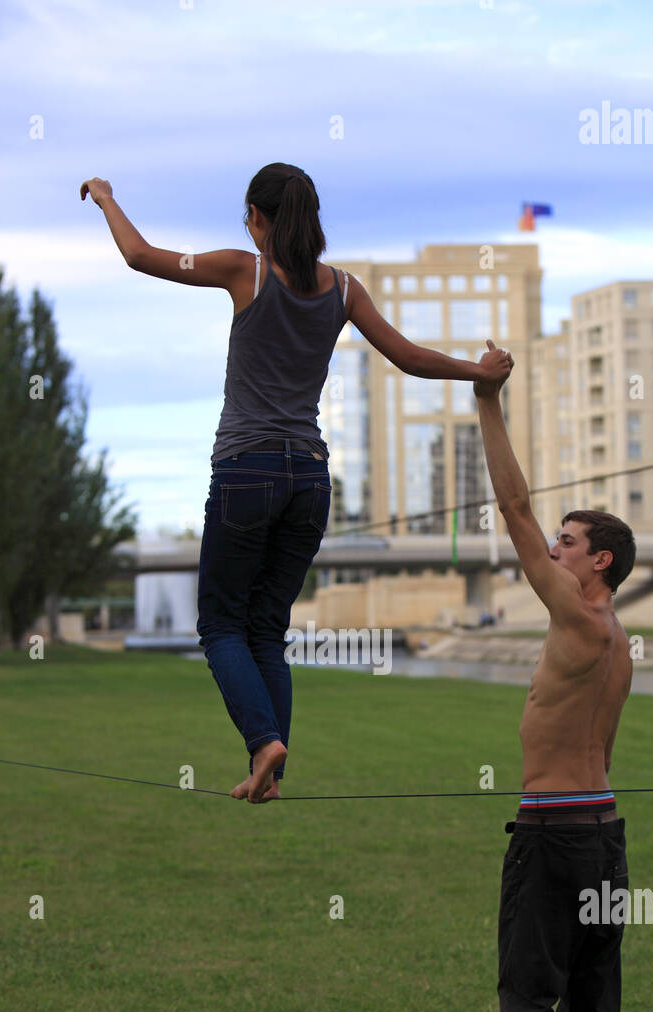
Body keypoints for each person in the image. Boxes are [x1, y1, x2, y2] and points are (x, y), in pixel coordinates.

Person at [82, 164, 509, 800]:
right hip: (310, 477)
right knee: (266, 631)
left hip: (246, 469)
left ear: (258, 218)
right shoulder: (343, 289)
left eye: (247, 219)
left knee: (221, 627)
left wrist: (107, 198)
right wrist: (478, 371)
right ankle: (270, 772)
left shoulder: (243, 270)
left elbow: (141, 256)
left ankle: (263, 743)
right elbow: (410, 359)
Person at [473, 340, 636, 1012]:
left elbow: (513, 504)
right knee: (594, 1007)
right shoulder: (620, 647)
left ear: (598, 561)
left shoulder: (578, 617)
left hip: (553, 835)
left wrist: (486, 401)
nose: (556, 548)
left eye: (569, 543)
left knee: (526, 1000)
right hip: (604, 835)